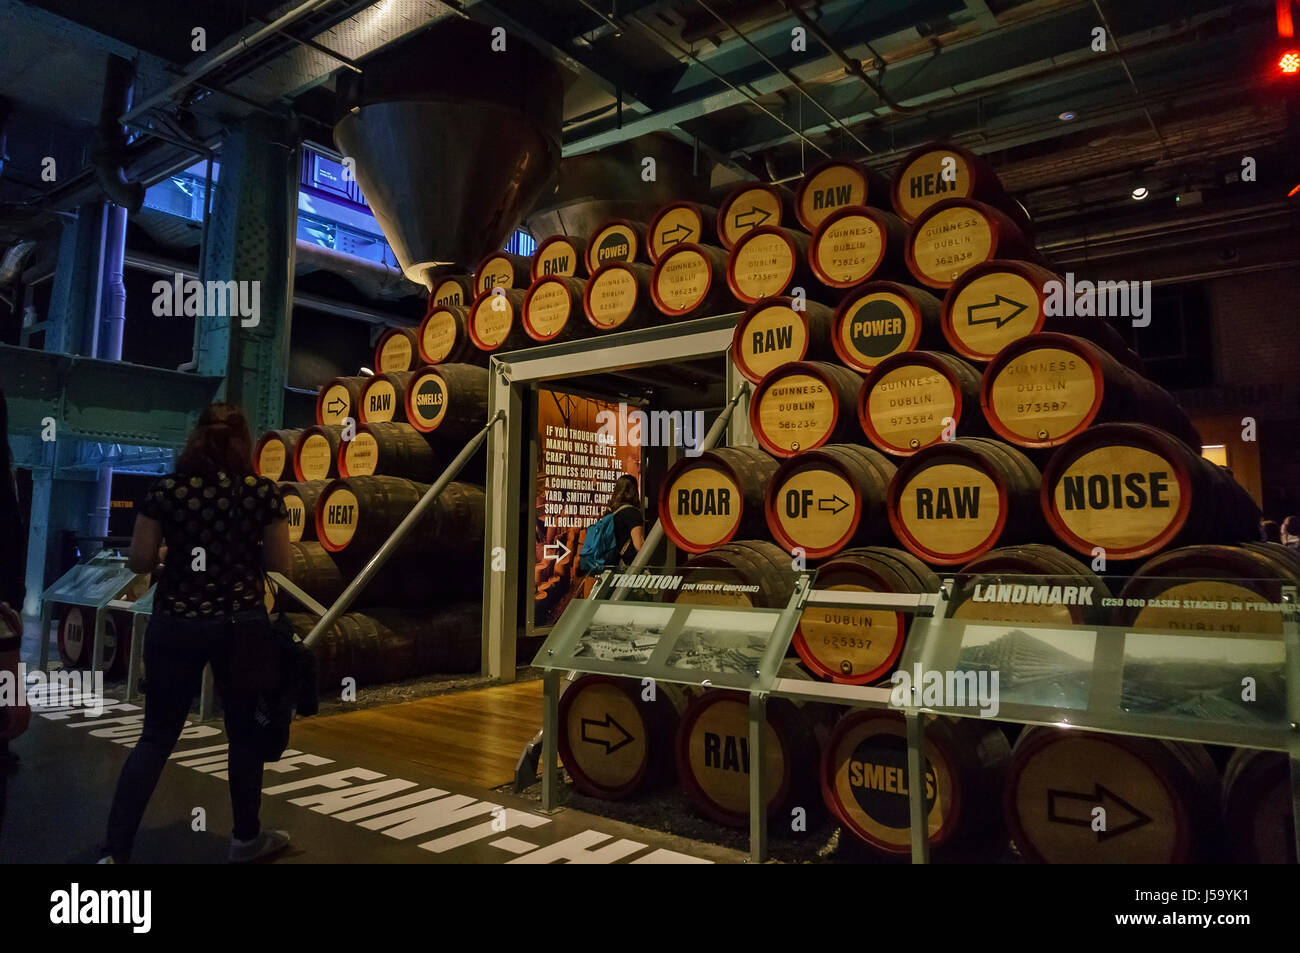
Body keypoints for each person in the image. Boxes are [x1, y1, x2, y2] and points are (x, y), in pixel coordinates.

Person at [99, 403, 292, 864]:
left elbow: (140, 562)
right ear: (244, 442)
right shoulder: (261, 493)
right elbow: (279, 565)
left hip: (176, 623)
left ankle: (114, 852)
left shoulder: (165, 491)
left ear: (196, 439)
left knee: (155, 738)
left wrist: (174, 558)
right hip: (240, 626)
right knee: (243, 736)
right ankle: (245, 839)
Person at [606, 474, 645, 569]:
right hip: (627, 568)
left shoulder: (611, 513)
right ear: (634, 491)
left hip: (611, 567)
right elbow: (639, 545)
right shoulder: (632, 513)